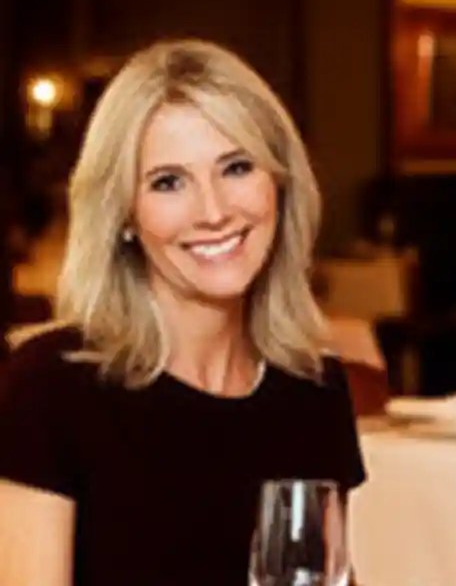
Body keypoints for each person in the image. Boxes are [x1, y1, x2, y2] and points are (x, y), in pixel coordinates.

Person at [0, 40, 366, 586]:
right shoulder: (50, 387)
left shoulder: (314, 389)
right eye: (168, 182)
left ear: (280, 183)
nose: (213, 211)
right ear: (125, 214)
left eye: (236, 167)